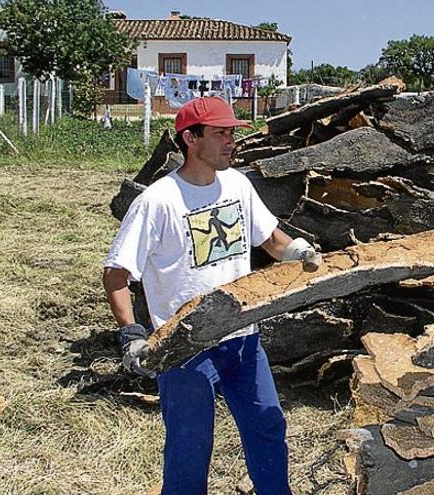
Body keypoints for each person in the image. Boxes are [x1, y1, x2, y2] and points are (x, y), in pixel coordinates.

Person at [103, 96, 320, 495]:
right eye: (220, 133)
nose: (231, 141)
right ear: (190, 138)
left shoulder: (237, 184)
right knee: (190, 444)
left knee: (267, 424)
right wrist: (131, 334)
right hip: (184, 346)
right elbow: (116, 274)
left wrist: (297, 251)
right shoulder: (157, 201)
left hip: (241, 337)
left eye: (232, 133)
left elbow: (270, 238)